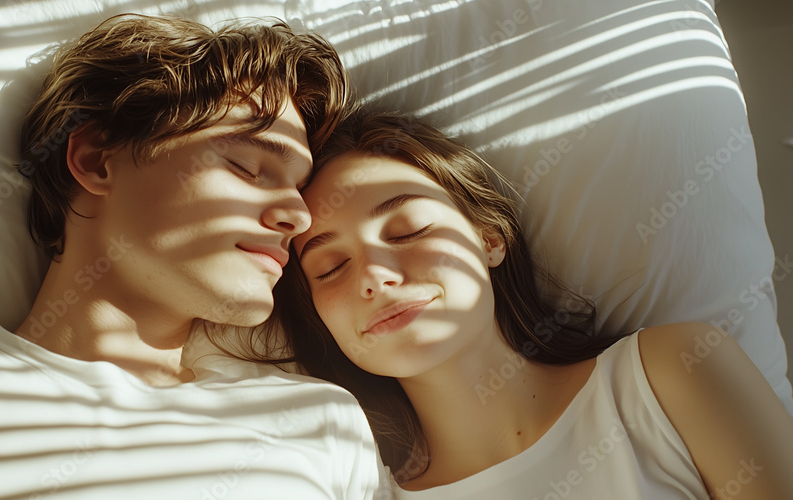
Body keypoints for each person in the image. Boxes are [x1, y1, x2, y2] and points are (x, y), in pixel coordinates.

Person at [0, 14, 382, 499]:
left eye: (298, 189)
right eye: (249, 167)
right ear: (98, 161)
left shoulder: (320, 424)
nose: (298, 216)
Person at [268, 110, 793, 498]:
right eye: (330, 268)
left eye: (408, 231)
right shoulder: (363, 491)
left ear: (490, 238)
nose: (375, 278)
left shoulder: (671, 371)